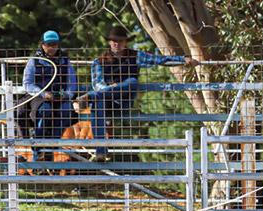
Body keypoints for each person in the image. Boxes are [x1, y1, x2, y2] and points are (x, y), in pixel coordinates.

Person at [74, 25, 199, 162]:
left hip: (123, 103)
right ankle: (101, 152)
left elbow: (161, 60)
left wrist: (183, 59)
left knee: (132, 82)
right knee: (99, 103)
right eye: (114, 41)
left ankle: (89, 97)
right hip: (106, 104)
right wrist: (109, 88)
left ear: (126, 42)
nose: (117, 44)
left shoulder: (135, 56)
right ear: (109, 42)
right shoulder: (100, 61)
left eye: (121, 41)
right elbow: (97, 83)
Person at [17, 30, 78, 153]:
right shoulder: (33, 60)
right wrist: (43, 93)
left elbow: (72, 82)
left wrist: (67, 94)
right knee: (45, 109)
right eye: (48, 45)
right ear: (42, 45)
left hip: (60, 97)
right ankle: (38, 143)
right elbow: (27, 84)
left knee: (66, 110)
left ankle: (53, 142)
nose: (51, 48)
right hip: (38, 96)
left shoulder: (65, 61)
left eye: (54, 45)